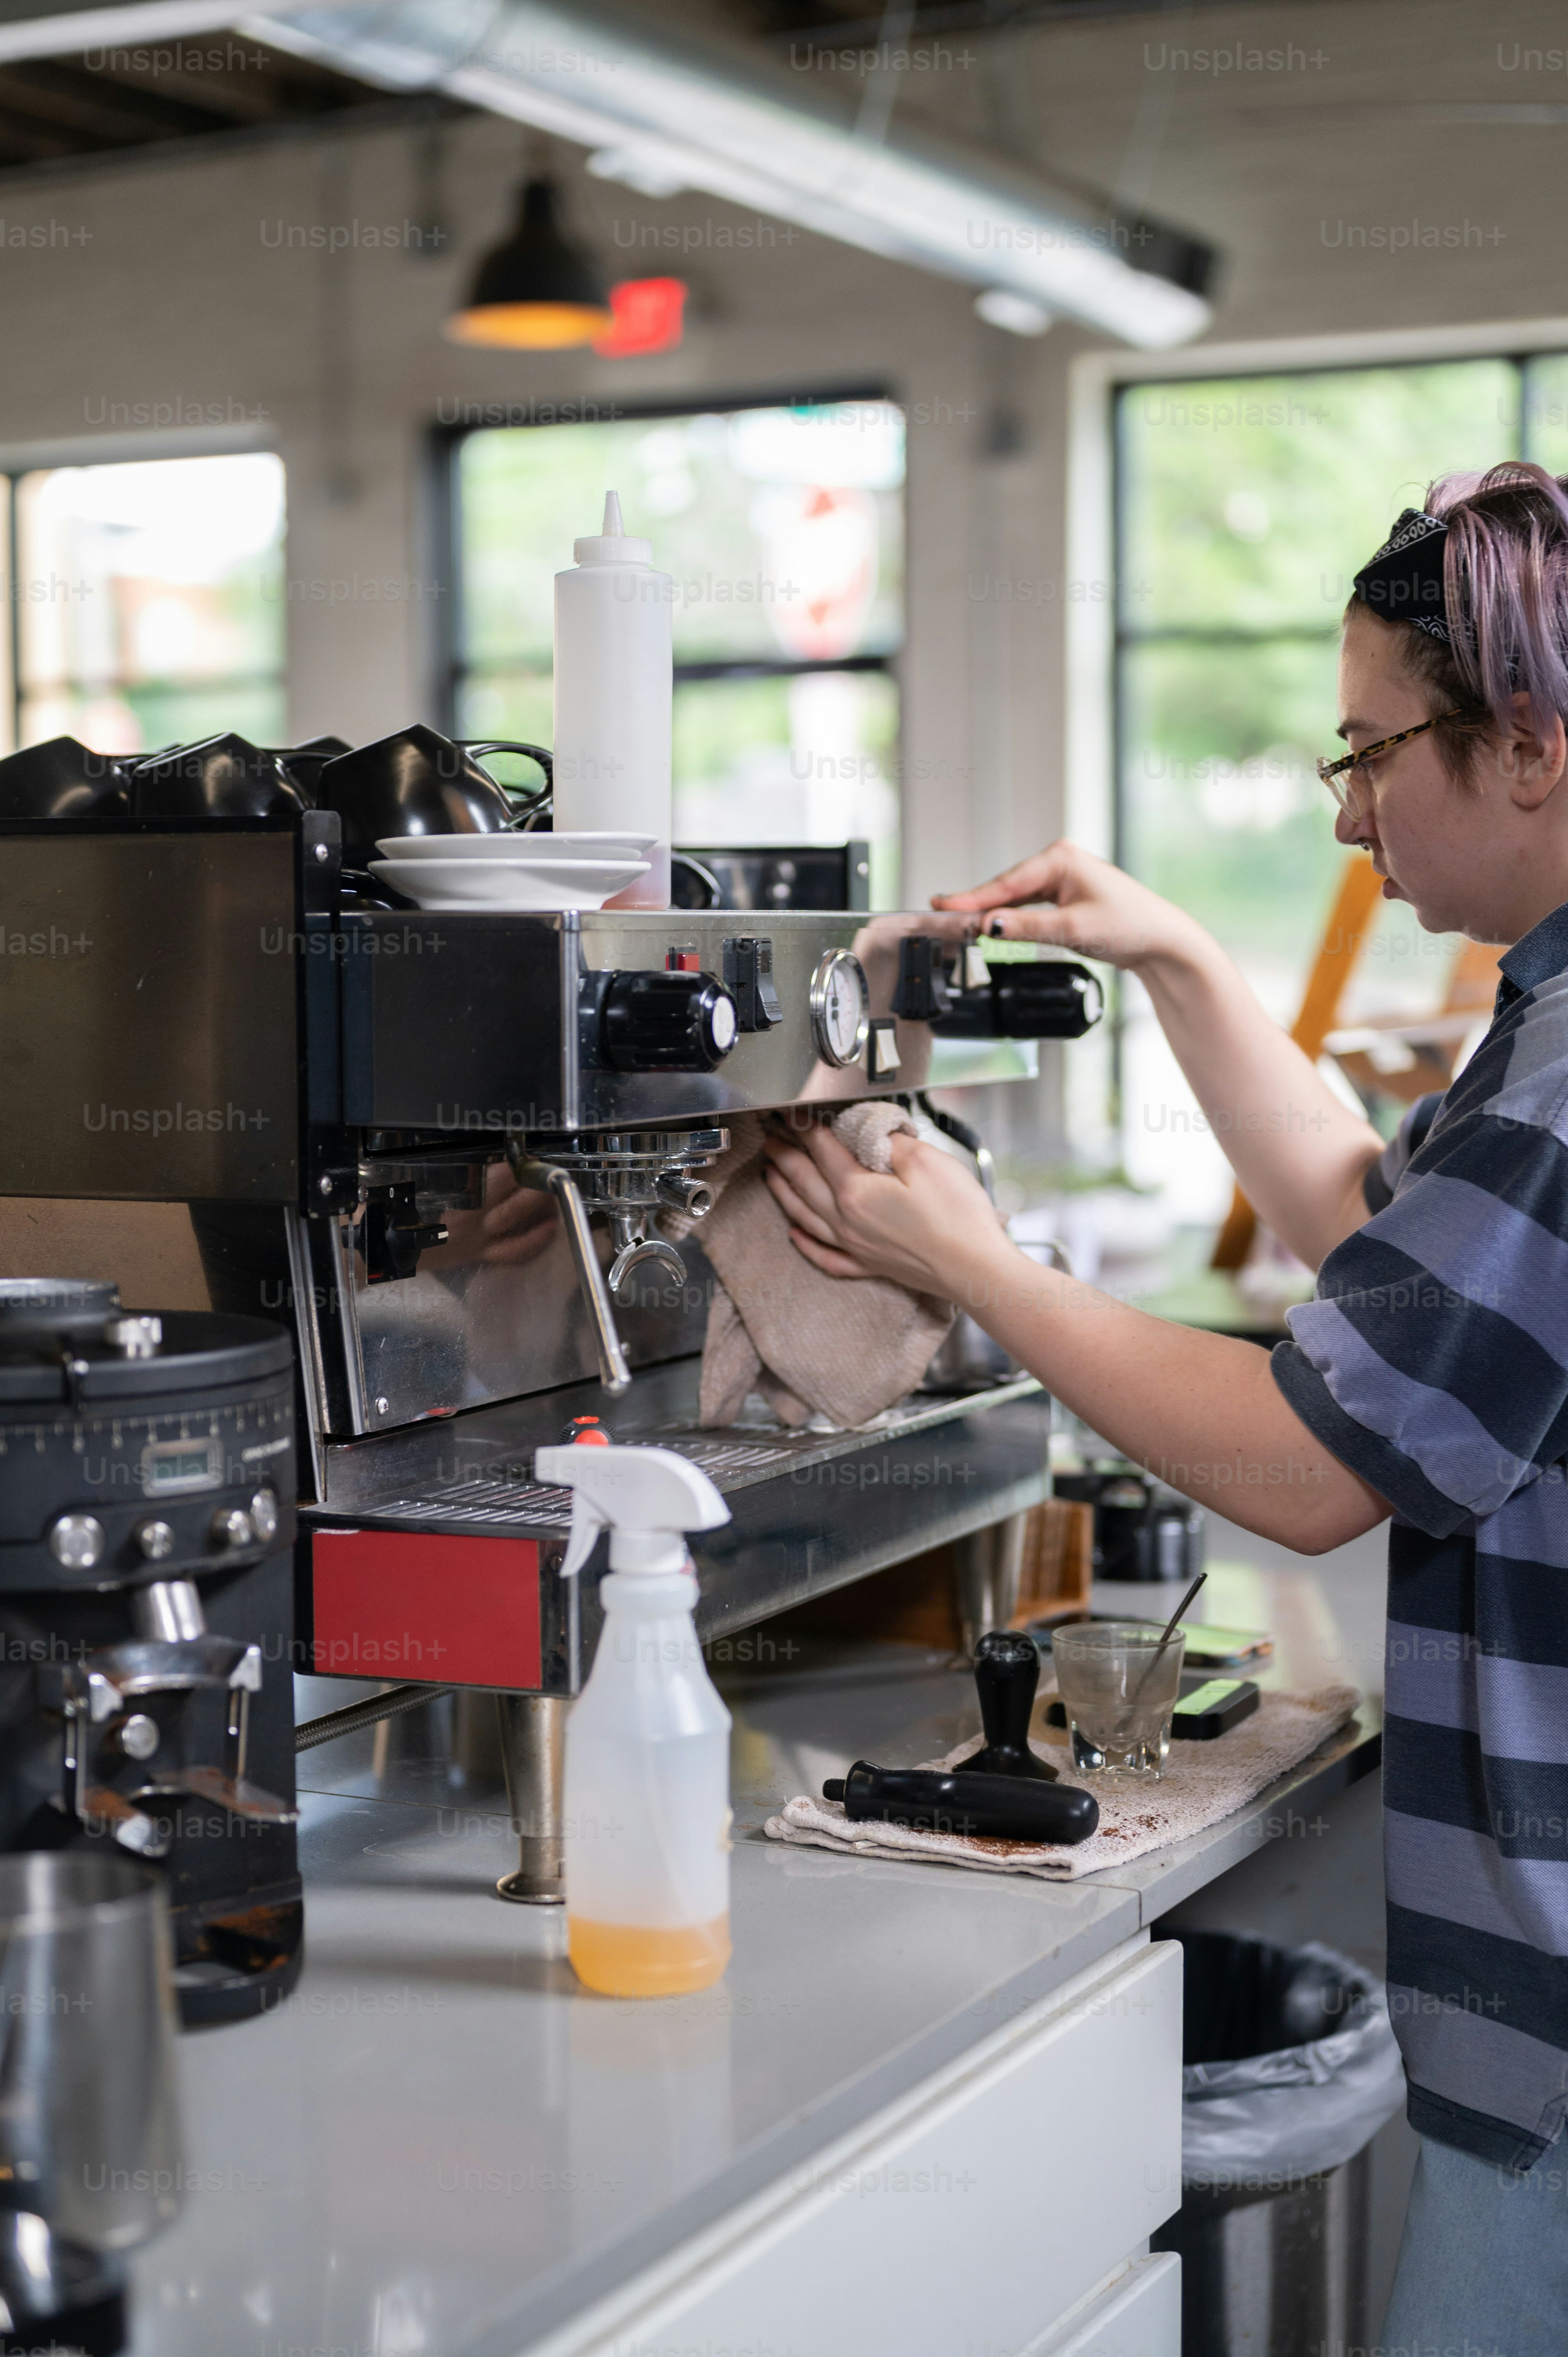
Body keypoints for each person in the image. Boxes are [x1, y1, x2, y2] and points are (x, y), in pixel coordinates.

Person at [763, 462, 1568, 2354]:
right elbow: (1373, 1226)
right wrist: (1187, 960)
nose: (1353, 807)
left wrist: (977, 1265)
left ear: (1527, 744)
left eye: (1377, 752)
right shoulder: (1541, 1017)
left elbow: (1302, 1466)